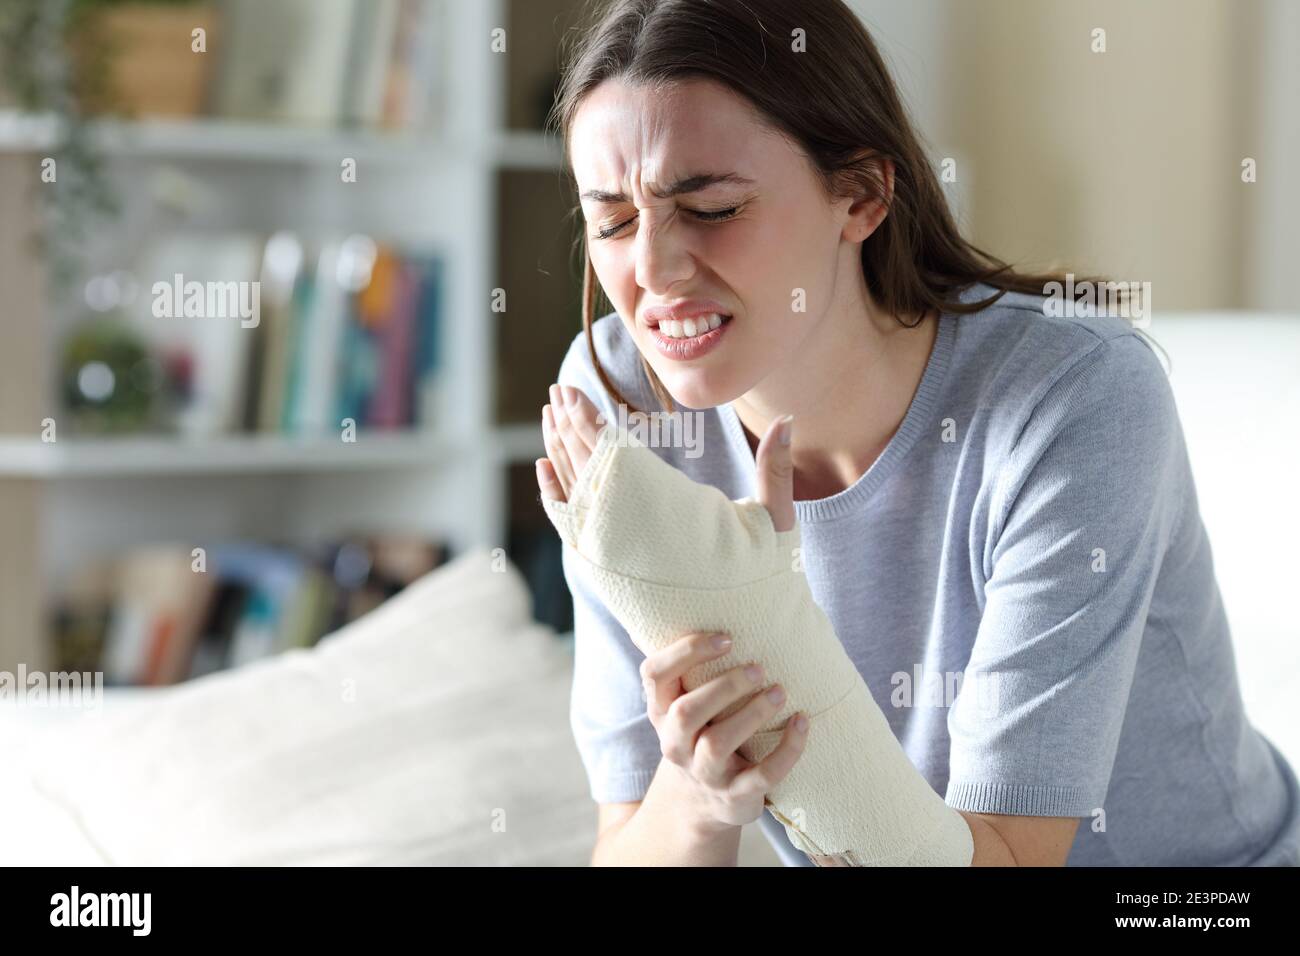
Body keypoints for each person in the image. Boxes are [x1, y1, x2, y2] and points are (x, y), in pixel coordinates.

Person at [534, 0, 1300, 866]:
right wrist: (699, 798)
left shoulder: (1074, 397)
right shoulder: (615, 398)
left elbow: (1007, 858)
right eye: (613, 221)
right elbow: (625, 841)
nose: (655, 273)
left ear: (859, 195)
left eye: (710, 208)